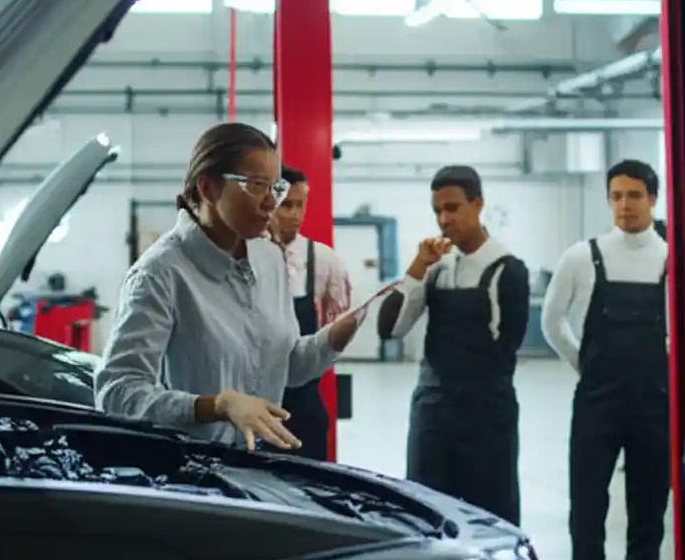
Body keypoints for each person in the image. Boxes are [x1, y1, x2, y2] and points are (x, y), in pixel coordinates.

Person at [94, 122, 365, 451]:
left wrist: (332, 339)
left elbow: (285, 366)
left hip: (262, 461)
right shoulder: (161, 274)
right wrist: (215, 406)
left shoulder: (269, 259)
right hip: (195, 469)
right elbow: (117, 392)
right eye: (256, 185)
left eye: (275, 188)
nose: (271, 203)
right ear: (208, 188)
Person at [540, 159, 670, 560]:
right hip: (597, 403)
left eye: (634, 195)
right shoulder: (583, 255)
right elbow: (551, 322)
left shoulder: (670, 258)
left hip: (655, 404)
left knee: (648, 515)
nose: (625, 205)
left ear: (653, 199)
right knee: (587, 514)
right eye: (616, 195)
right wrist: (585, 366)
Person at [376, 165, 530, 525]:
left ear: (477, 204)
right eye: (437, 211)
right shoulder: (436, 269)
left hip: (485, 415)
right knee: (425, 515)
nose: (444, 219)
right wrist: (416, 268)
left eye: (453, 208)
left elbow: (507, 345)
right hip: (433, 411)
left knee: (490, 516)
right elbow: (391, 328)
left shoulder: (507, 270)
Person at [270, 165, 352, 460]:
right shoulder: (246, 257)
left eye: (300, 205)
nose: (294, 214)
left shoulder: (325, 262)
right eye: (285, 205)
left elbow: (335, 324)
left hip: (304, 401)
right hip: (257, 402)